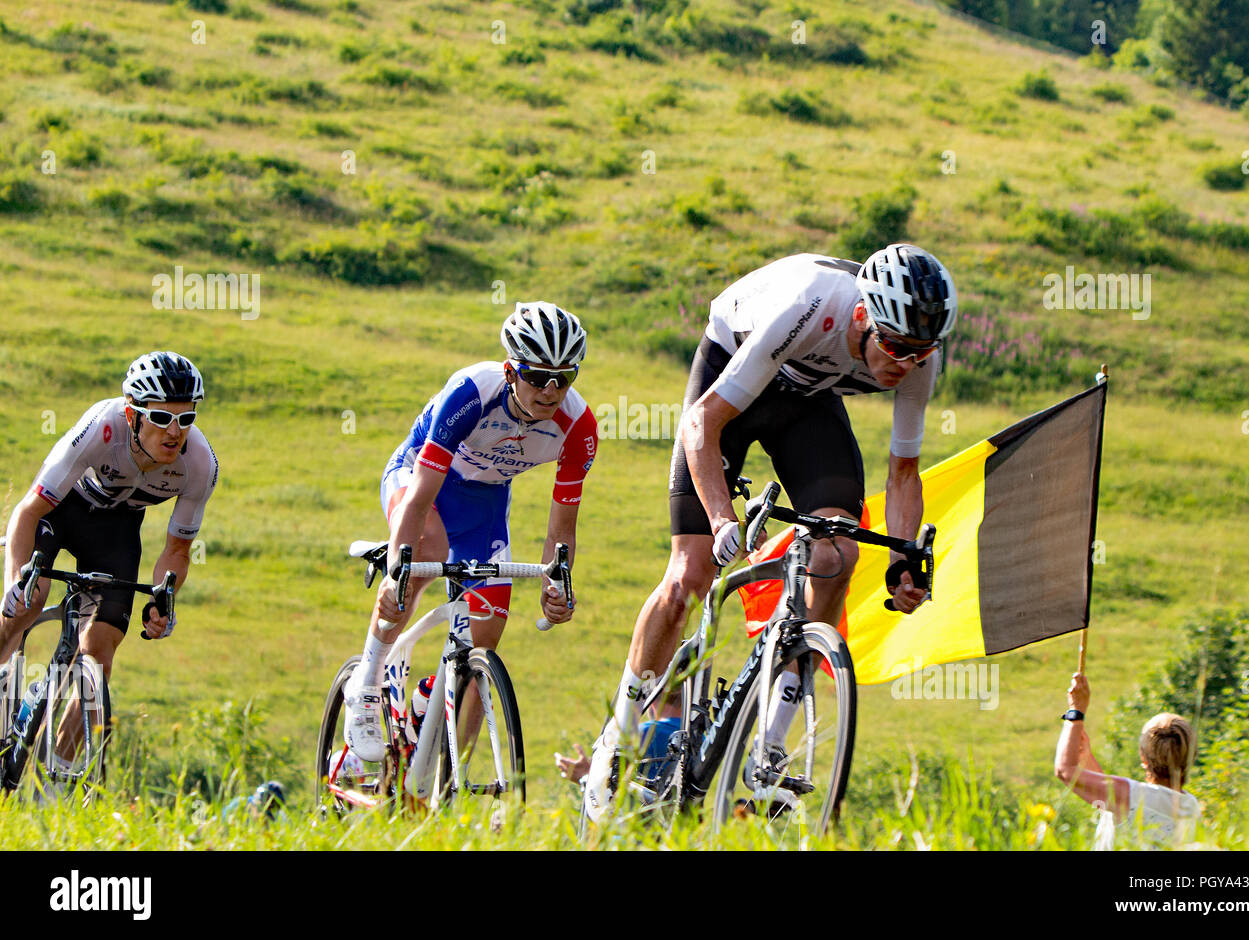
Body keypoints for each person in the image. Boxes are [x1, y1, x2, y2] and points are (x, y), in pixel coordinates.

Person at [583, 244, 958, 821]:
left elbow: (903, 471)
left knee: (838, 554)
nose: (905, 365)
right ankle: (620, 735)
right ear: (862, 316)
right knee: (692, 573)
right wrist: (720, 518)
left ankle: (769, 754)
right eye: (896, 348)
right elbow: (703, 423)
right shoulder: (810, 305)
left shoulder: (916, 354)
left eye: (921, 352)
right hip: (732, 383)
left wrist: (904, 560)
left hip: (807, 401)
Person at [342, 302, 598, 760]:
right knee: (429, 549)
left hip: (484, 506)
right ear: (510, 370)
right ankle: (367, 679)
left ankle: (438, 781)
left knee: (485, 643)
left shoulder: (578, 427)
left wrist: (556, 584)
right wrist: (396, 570)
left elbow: (562, 529)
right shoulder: (472, 393)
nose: (551, 389)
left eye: (565, 377)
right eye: (537, 376)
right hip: (420, 480)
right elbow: (420, 497)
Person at [1, 351, 216, 685]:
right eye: (161, 417)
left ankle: (85, 738)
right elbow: (29, 510)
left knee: (99, 654)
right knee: (28, 603)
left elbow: (177, 552)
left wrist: (162, 601)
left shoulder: (200, 464)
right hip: (61, 512)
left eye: (185, 419)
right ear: (132, 414)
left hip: (116, 531)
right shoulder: (101, 426)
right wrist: (15, 578)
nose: (175, 432)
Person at [1054, 672, 1201, 849]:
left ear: (1143, 759)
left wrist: (1075, 713)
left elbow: (1064, 771)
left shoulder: (1131, 796)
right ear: (1191, 758)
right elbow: (1111, 806)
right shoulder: (1191, 807)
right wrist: (1086, 759)